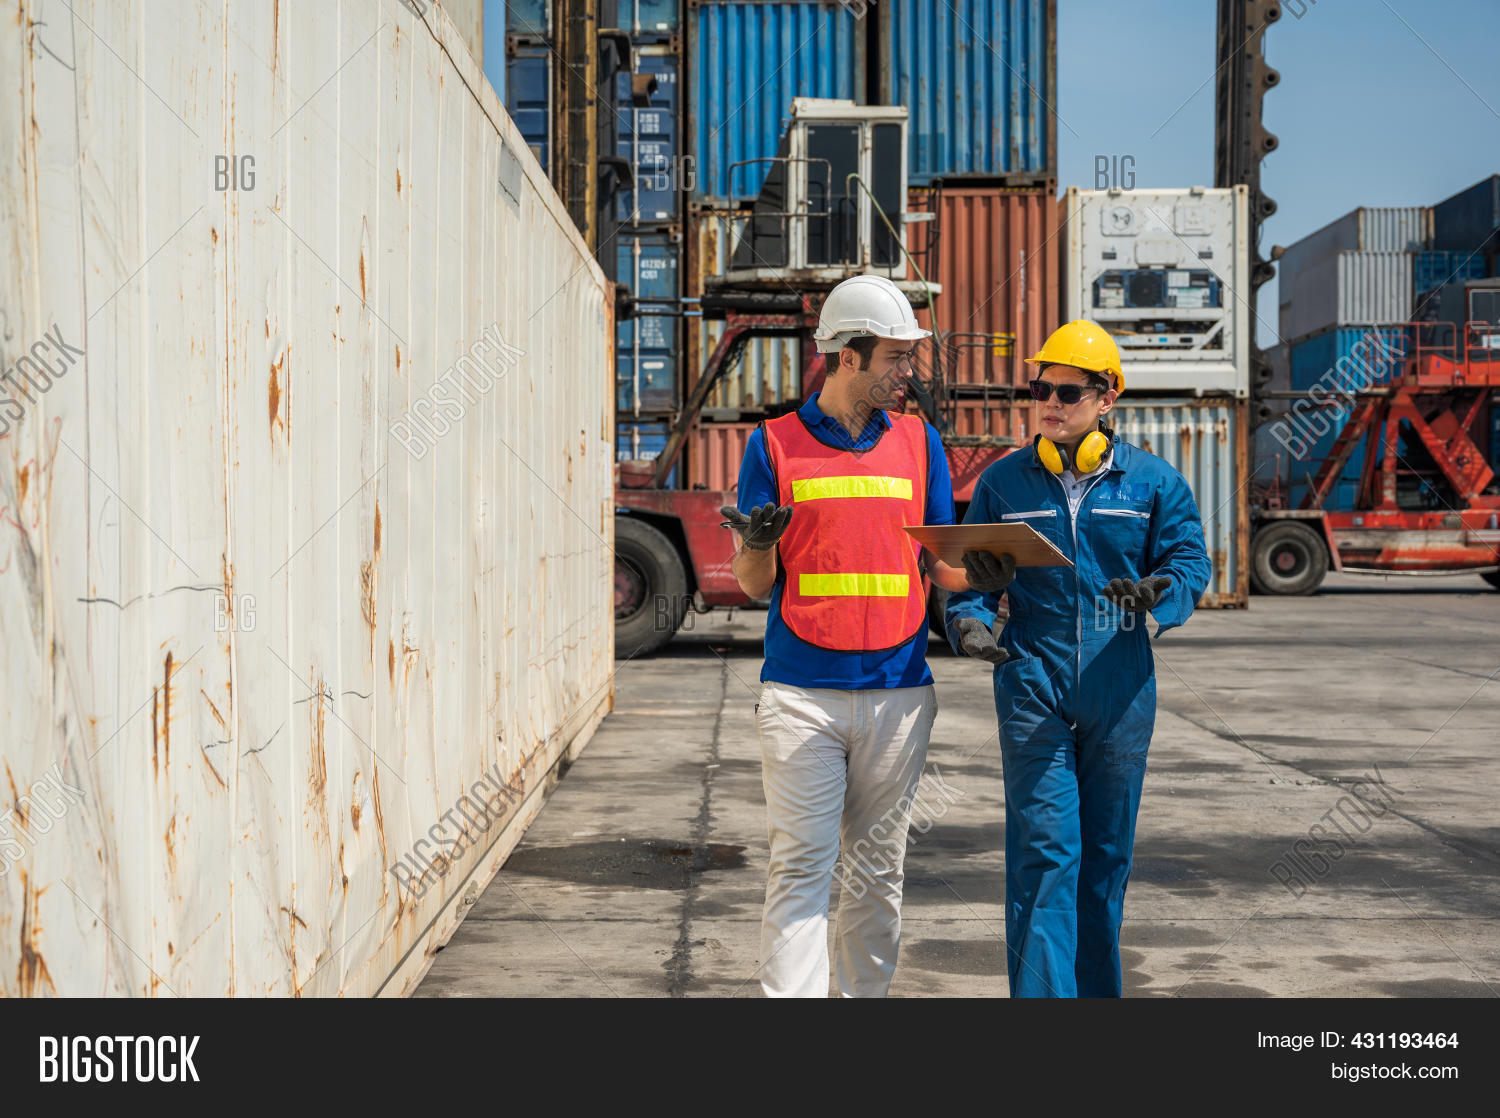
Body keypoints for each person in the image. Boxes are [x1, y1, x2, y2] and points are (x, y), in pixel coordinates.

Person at [944, 319, 1212, 998]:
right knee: (1044, 854)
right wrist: (971, 624)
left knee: (1103, 861)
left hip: (1118, 681)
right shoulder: (1006, 482)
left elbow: (1189, 561)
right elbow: (975, 580)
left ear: (1107, 397)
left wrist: (1161, 591)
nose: (1051, 402)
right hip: (1032, 674)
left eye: (1067, 390)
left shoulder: (1152, 483)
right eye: (1042, 388)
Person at [721, 274, 972, 998]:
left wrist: (982, 571)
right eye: (895, 358)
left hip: (898, 695)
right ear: (847, 357)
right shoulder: (774, 445)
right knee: (800, 869)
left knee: (877, 871)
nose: (906, 375)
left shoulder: (921, 444)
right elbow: (755, 585)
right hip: (801, 697)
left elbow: (942, 568)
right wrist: (759, 544)